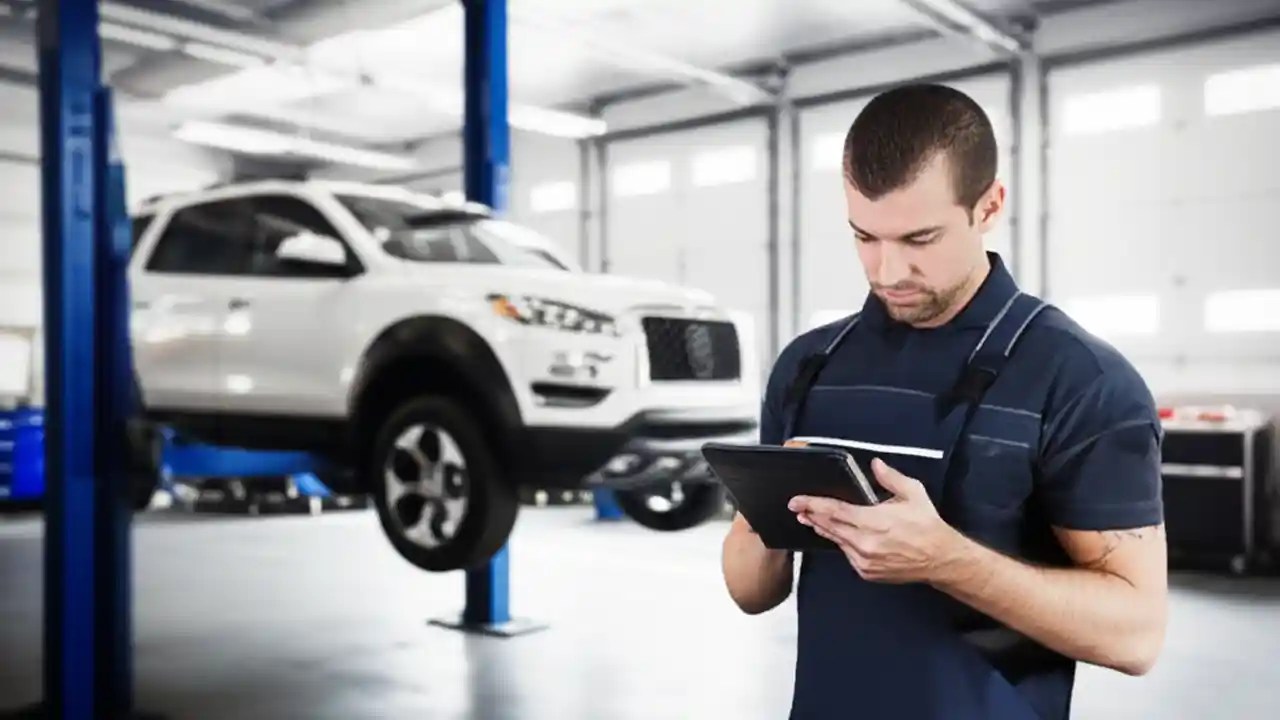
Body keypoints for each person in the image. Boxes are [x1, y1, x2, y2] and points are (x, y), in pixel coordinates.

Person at [720, 83, 1168, 720]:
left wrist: (942, 559)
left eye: (919, 239)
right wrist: (771, 516)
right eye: (864, 237)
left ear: (989, 206)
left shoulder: (1081, 380)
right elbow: (750, 592)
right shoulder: (807, 367)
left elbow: (1137, 634)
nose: (886, 272)